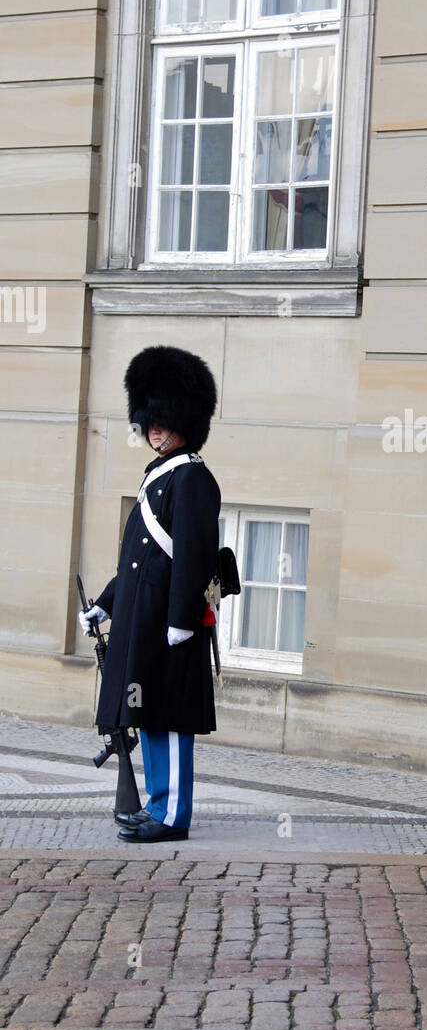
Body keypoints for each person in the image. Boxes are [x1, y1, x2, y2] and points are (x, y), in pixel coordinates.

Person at [78, 345, 221, 843]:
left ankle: (173, 815)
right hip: (145, 616)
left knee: (173, 718)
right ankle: (158, 803)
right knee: (150, 712)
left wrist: (182, 620)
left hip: (170, 622)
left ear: (185, 420)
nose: (154, 430)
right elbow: (139, 561)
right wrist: (106, 602)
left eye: (163, 420)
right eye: (150, 421)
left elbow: (193, 557)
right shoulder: (158, 478)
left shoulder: (193, 478)